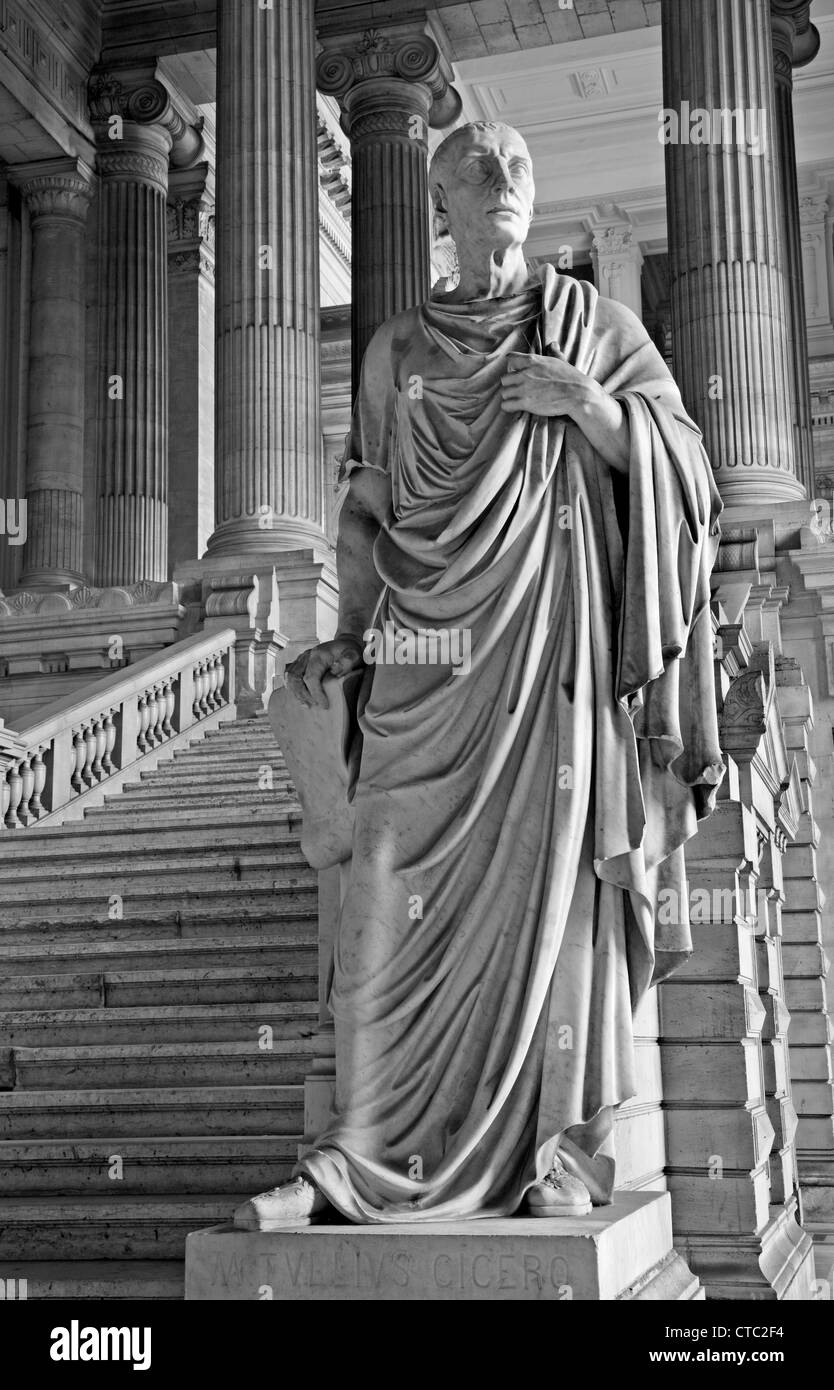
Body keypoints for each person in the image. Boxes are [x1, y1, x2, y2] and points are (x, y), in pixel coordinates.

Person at [234, 121, 723, 1230]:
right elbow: (371, 512)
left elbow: (686, 467)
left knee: (557, 902)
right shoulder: (396, 352)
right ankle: (352, 1154)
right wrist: (351, 636)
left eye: (515, 167)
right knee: (381, 887)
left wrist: (594, 414)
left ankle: (557, 1144)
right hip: (423, 666)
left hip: (552, 661)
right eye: (475, 169)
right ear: (438, 203)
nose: (501, 181)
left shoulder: (593, 327)